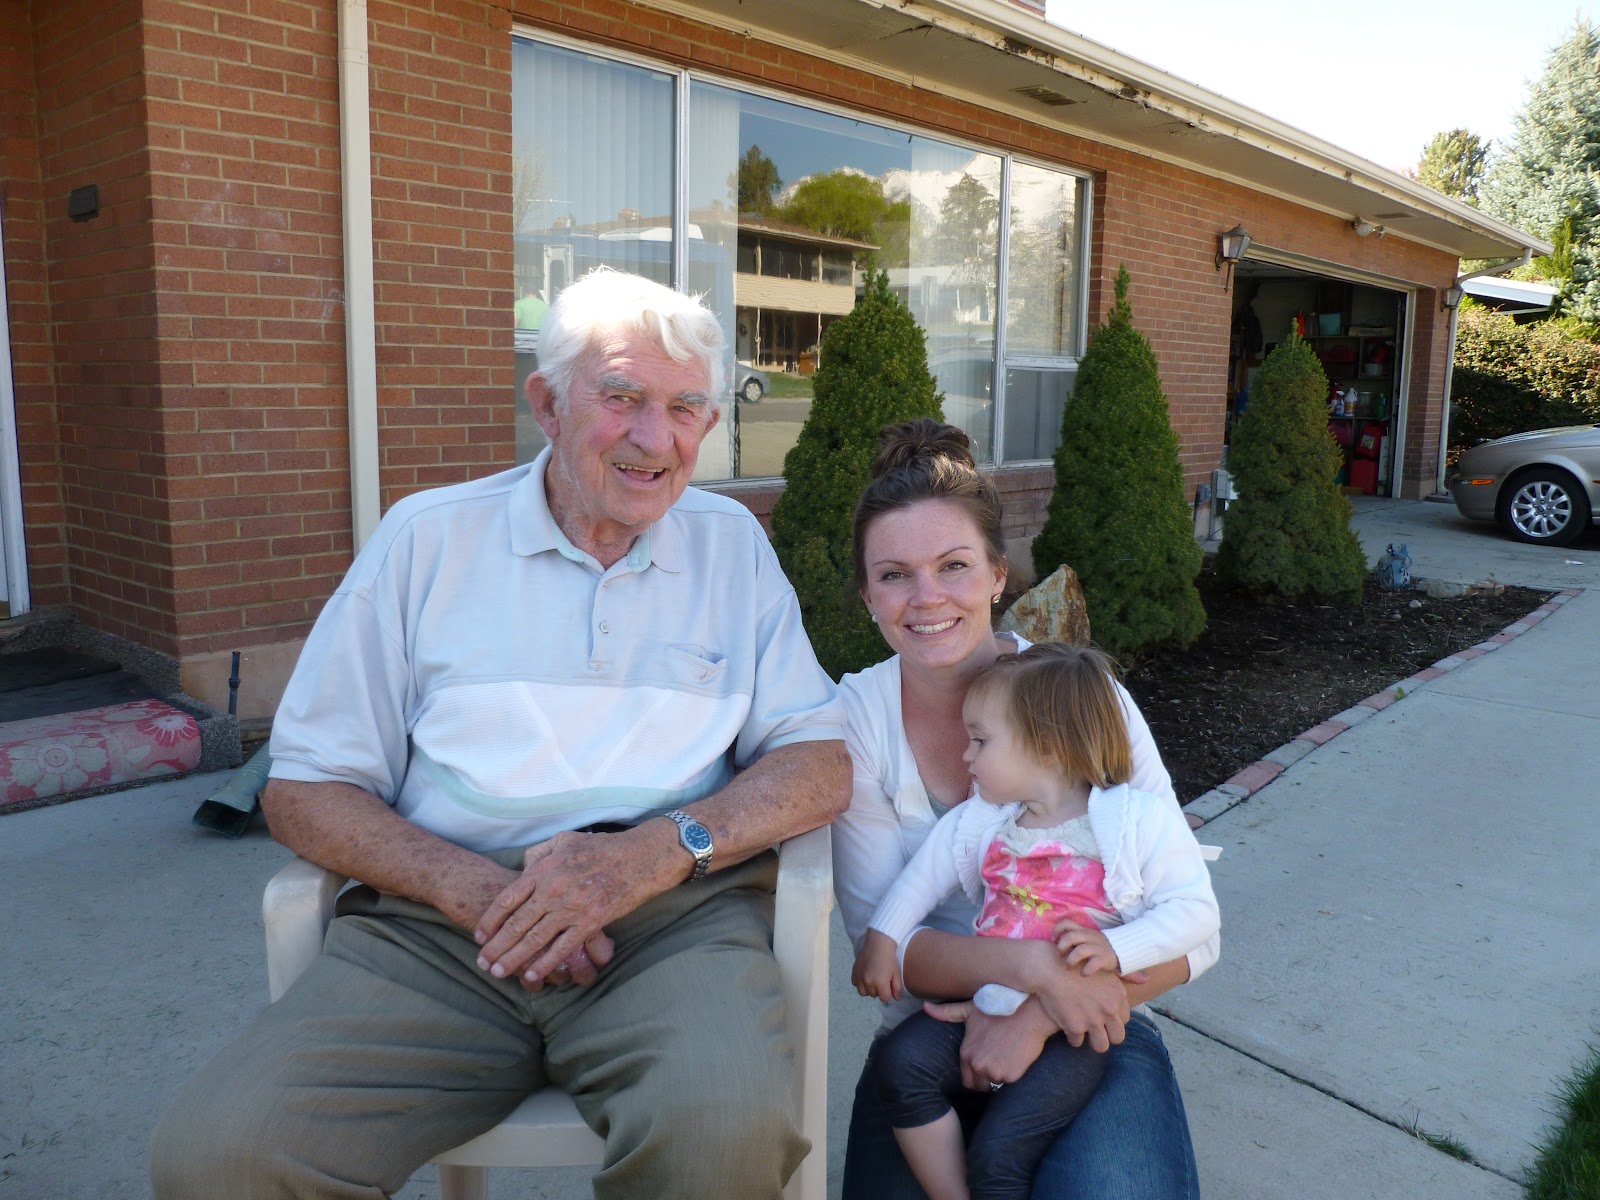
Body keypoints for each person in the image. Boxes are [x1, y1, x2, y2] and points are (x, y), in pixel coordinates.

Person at [150, 267, 850, 1200]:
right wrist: (480, 894)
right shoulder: (426, 541)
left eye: (685, 409)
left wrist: (652, 855)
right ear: (548, 406)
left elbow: (818, 760)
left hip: (667, 929)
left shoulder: (730, 548)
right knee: (220, 1156)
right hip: (438, 934)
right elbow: (304, 785)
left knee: (720, 1133)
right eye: (622, 398)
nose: (655, 439)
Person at [833, 418, 1220, 1200]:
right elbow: (896, 961)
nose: (928, 597)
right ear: (868, 594)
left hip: (1090, 1022)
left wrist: (1040, 1013)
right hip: (928, 1038)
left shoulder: (1083, 700)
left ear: (998, 575)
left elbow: (1192, 941)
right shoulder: (855, 721)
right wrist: (1034, 967)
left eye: (953, 566)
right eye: (895, 574)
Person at [853, 643, 1221, 1200]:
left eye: (980, 740)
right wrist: (882, 935)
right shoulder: (982, 821)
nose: (967, 756)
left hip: (1074, 1033)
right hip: (981, 1006)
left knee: (1000, 1153)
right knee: (903, 1065)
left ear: (1044, 747)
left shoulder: (1134, 822)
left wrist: (1118, 949)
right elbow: (919, 881)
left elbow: (1197, 913)